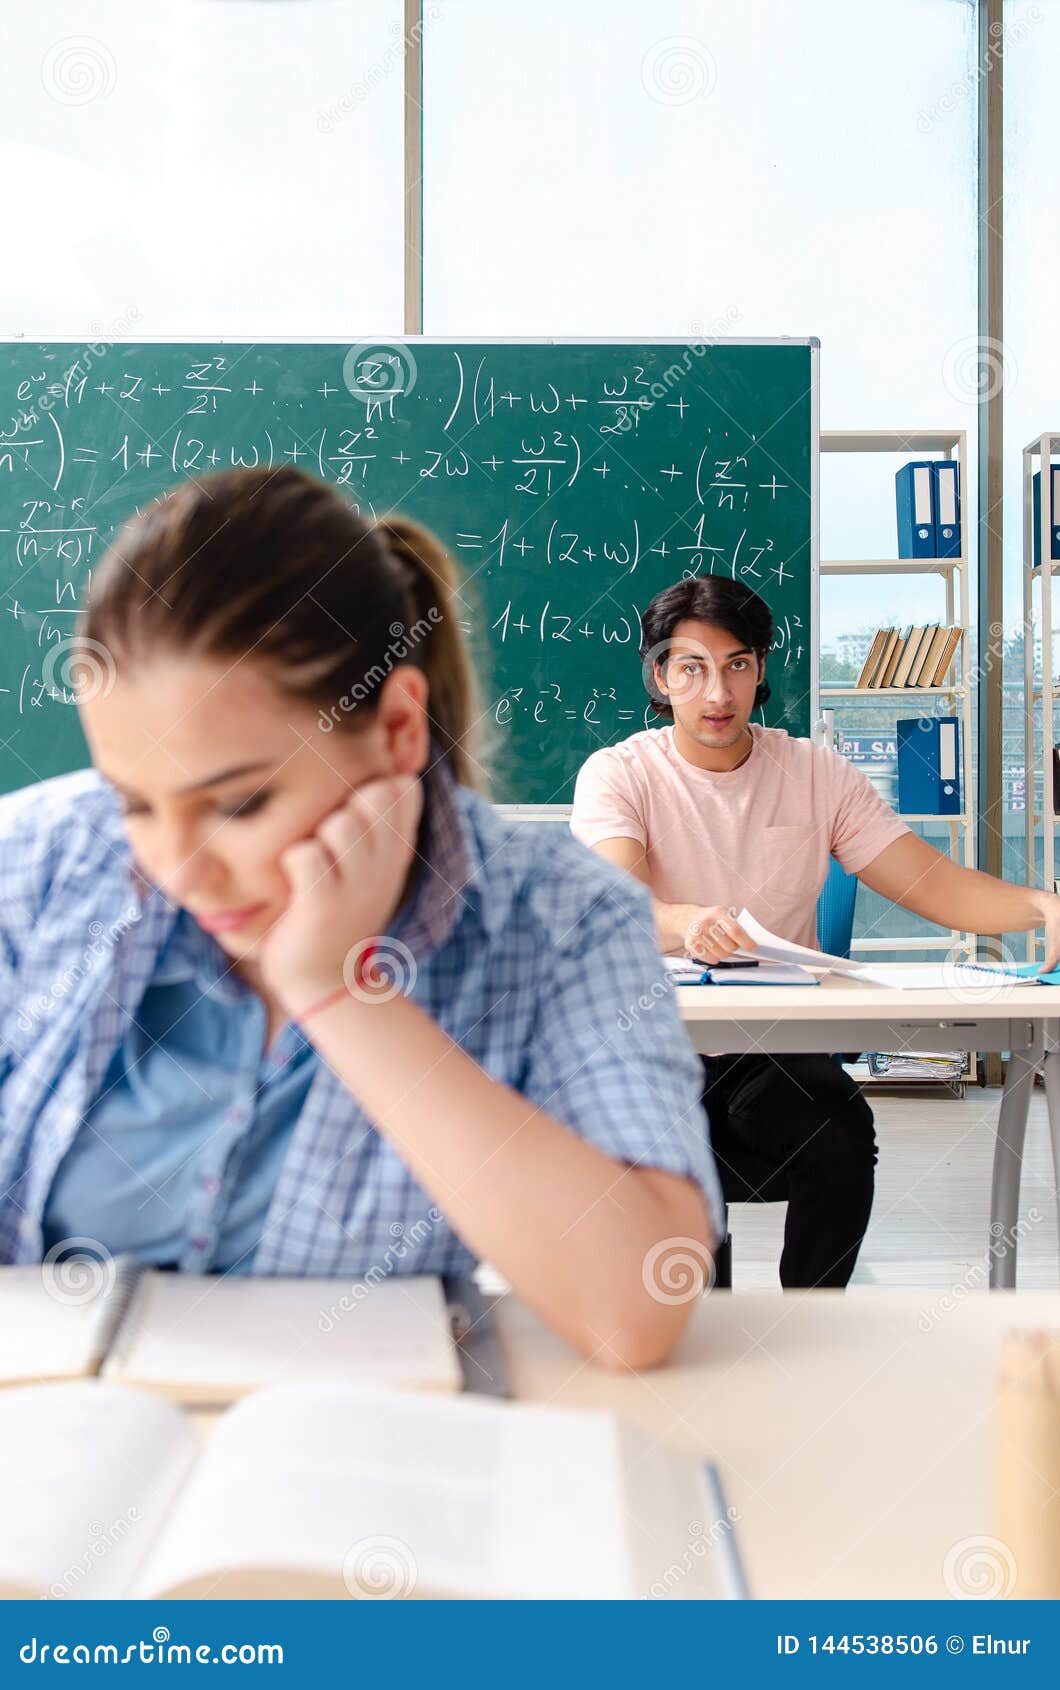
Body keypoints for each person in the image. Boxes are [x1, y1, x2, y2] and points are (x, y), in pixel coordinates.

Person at [0, 466, 724, 1369]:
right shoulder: (34, 864)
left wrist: (338, 992)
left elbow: (635, 1309)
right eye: (135, 803)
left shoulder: (564, 920)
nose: (178, 869)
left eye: (238, 804)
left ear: (395, 730)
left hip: (355, 1468)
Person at [570, 574, 1060, 1289]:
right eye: (692, 668)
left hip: (776, 1045)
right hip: (657, 1047)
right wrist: (682, 922)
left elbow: (930, 882)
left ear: (762, 668)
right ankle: (710, 1335)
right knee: (685, 1211)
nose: (718, 694)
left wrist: (1044, 907)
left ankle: (814, 1321)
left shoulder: (814, 771)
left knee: (841, 1132)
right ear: (659, 675)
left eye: (738, 664)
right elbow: (619, 903)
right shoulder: (619, 774)